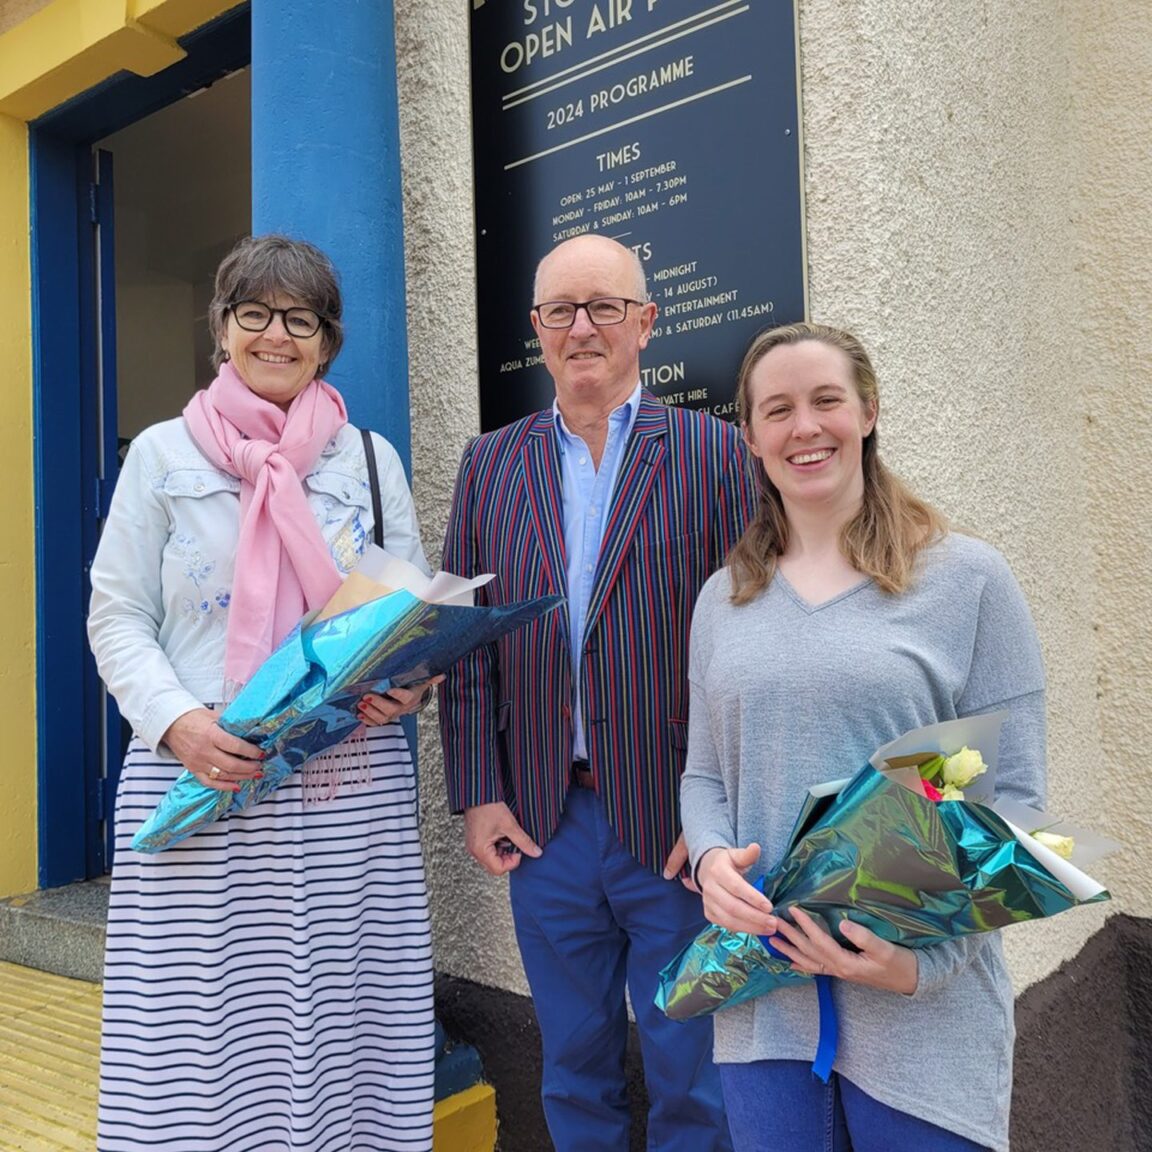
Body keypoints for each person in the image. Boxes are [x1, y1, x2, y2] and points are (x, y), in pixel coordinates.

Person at [88, 234, 437, 1152]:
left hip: (345, 795)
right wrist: (178, 723)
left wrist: (409, 683)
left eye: (301, 319)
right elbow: (115, 615)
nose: (276, 335)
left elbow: (407, 612)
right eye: (256, 313)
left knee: (343, 1032)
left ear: (328, 340)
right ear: (222, 328)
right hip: (202, 787)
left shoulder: (369, 459)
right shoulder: (163, 457)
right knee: (197, 1043)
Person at [680, 321, 1047, 1152]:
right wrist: (707, 863)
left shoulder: (967, 579)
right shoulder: (721, 599)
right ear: (751, 436)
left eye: (825, 401)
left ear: (869, 411)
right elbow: (705, 776)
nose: (803, 427)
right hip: (763, 1003)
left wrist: (922, 963)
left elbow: (1012, 801)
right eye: (777, 410)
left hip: (920, 1011)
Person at [438, 232, 756, 1150]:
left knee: (693, 1071)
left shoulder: (714, 454)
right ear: (535, 328)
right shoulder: (490, 464)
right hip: (544, 825)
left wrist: (717, 809)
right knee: (572, 1068)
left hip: (672, 826)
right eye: (559, 311)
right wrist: (478, 792)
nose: (581, 328)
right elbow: (466, 644)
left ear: (646, 323)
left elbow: (747, 643)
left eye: (604, 307)